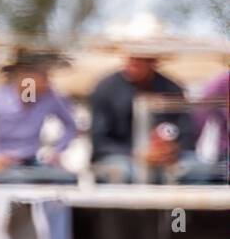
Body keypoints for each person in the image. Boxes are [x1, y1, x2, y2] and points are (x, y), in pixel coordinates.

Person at [89, 50, 220, 184]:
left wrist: (171, 150)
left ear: (154, 60)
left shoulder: (172, 88)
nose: (133, 63)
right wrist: (138, 154)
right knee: (126, 172)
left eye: (141, 58)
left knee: (199, 169)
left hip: (168, 159)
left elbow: (187, 133)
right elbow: (100, 141)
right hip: (121, 156)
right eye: (131, 57)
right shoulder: (106, 88)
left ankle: (182, 205)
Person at [0, 50, 78, 182]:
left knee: (67, 181)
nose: (45, 82)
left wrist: (58, 151)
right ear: (21, 75)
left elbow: (71, 125)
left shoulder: (51, 97)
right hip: (0, 167)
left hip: (33, 163)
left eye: (46, 76)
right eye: (40, 76)